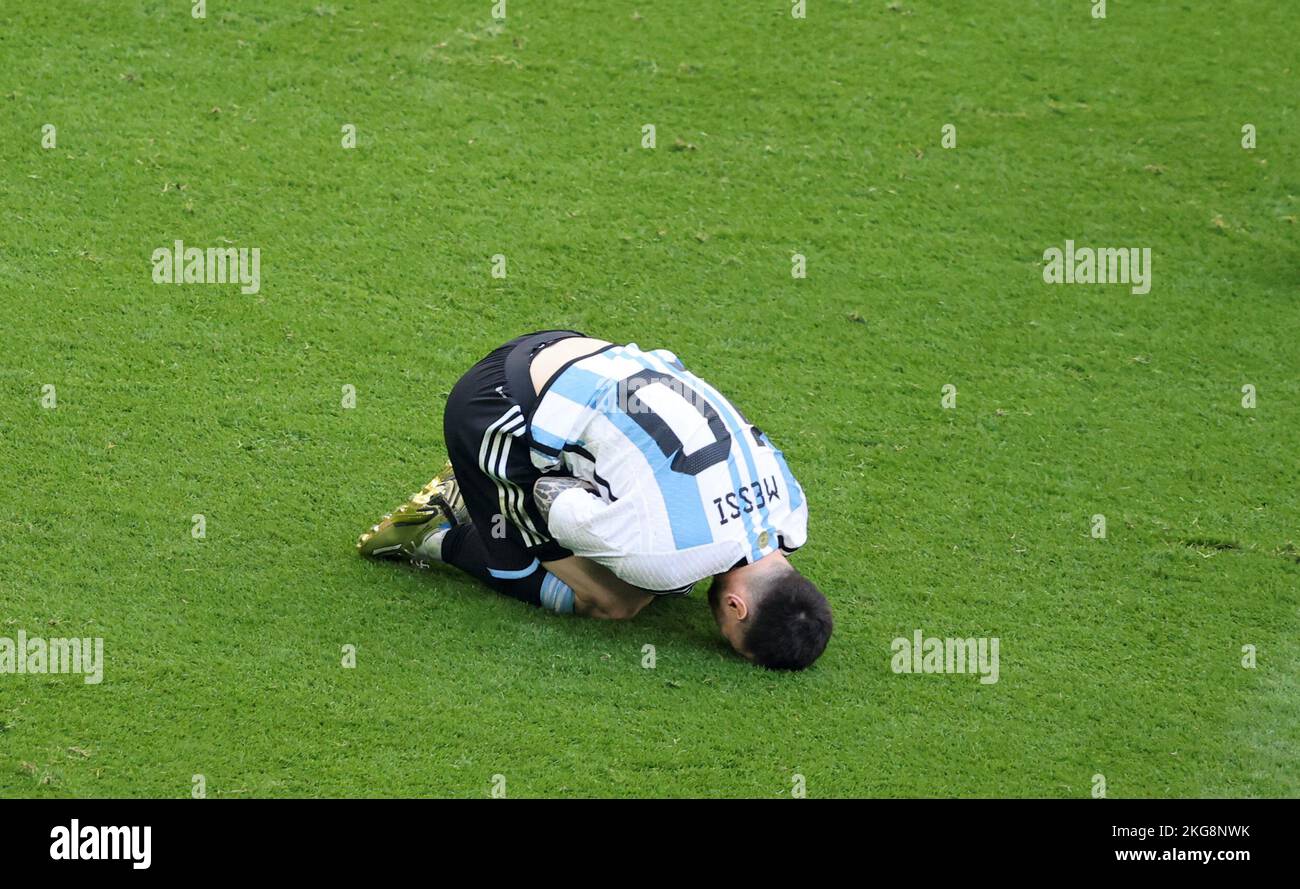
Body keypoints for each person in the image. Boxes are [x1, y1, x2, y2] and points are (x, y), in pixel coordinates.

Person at [358, 330, 832, 670]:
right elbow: (552, 499)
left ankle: (483, 485)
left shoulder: (792, 511)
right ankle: (435, 529)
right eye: (731, 642)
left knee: (655, 578)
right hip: (496, 406)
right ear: (737, 608)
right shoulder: (663, 557)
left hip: (576, 349)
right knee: (612, 600)